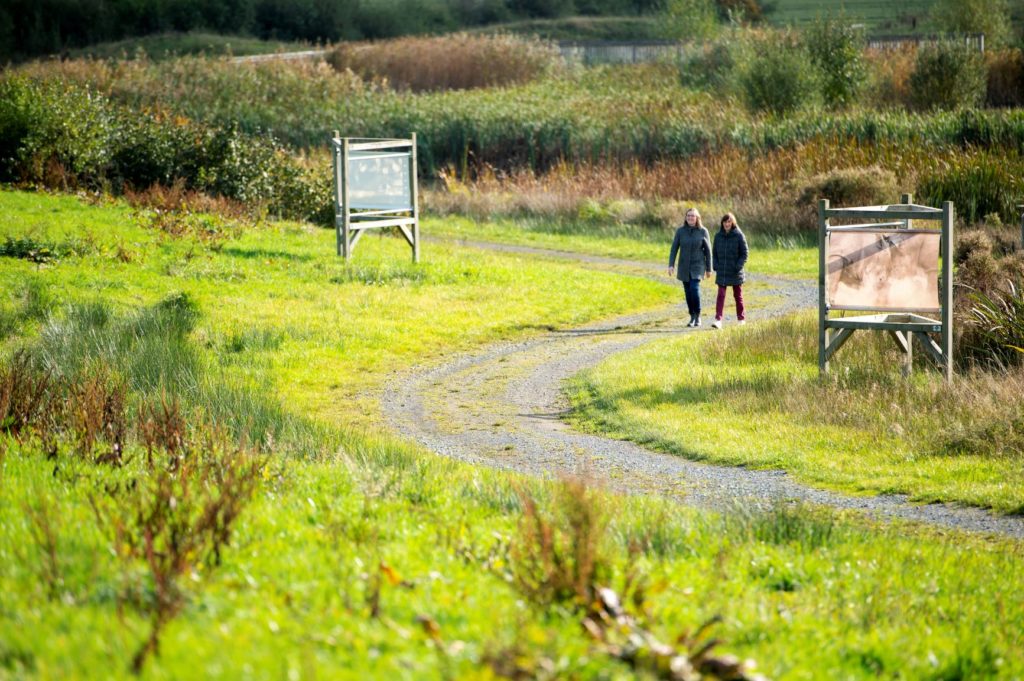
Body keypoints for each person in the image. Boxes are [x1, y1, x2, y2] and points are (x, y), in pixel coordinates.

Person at [668, 207, 712, 328]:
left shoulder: (703, 231)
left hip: (698, 265)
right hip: (684, 266)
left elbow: (708, 252)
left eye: (693, 216)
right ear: (686, 218)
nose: (690, 218)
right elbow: (674, 248)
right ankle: (692, 316)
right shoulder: (680, 231)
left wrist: (709, 269)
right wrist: (671, 265)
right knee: (688, 292)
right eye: (688, 216)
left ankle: (698, 315)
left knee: (694, 288)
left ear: (697, 218)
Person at [710, 212, 748, 329]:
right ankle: (718, 320)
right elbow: (714, 253)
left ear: (733, 223)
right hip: (722, 271)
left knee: (738, 295)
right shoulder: (718, 236)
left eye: (729, 222)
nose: (727, 224)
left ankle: (741, 319)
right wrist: (716, 265)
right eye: (725, 222)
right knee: (721, 295)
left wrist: (738, 266)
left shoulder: (739, 235)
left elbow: (744, 253)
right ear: (722, 223)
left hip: (736, 272)